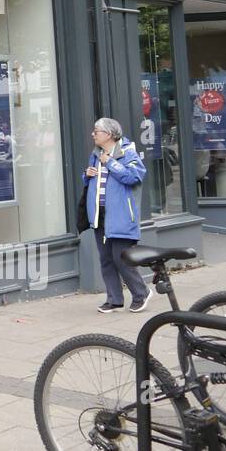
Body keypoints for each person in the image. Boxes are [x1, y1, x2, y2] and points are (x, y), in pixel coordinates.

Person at [83, 117, 150, 314]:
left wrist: (111, 163)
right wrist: (86, 174)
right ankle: (114, 299)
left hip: (120, 215)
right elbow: (91, 183)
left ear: (109, 134)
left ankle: (141, 293)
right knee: (105, 258)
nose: (93, 134)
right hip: (100, 214)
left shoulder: (127, 152)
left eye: (96, 131)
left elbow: (134, 176)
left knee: (121, 257)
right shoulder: (96, 154)